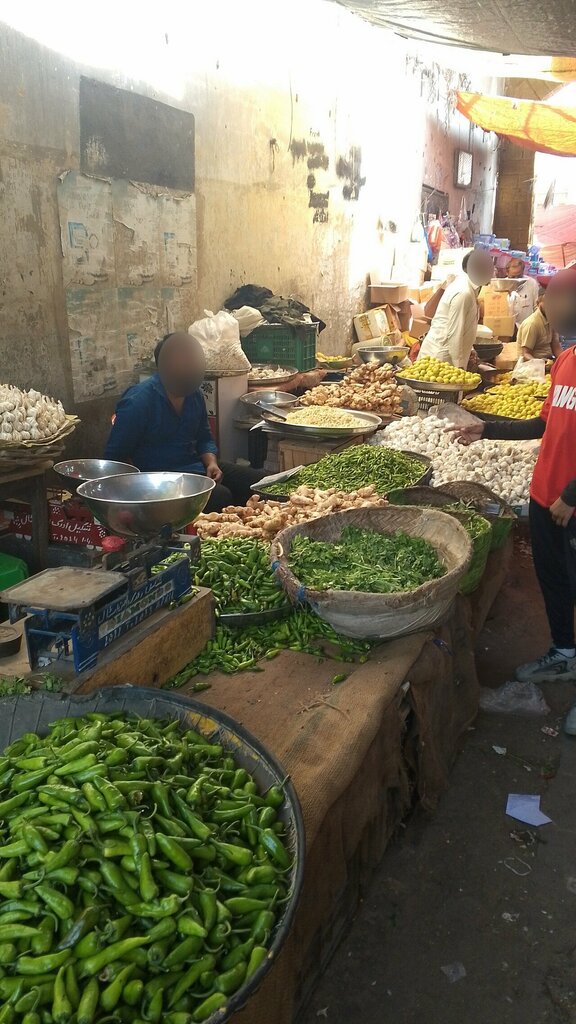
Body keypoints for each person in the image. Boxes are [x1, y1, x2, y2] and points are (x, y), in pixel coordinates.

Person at [452, 269, 576, 732]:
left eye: (558, 296)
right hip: (544, 498)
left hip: (569, 503)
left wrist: (572, 495)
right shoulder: (566, 361)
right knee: (556, 583)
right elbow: (545, 425)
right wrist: (488, 428)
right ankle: (565, 652)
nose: (548, 305)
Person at [104, 331, 263, 512]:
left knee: (259, 482)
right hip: (160, 481)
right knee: (221, 496)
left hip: (195, 468)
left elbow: (204, 438)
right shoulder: (138, 402)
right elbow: (114, 458)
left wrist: (211, 463)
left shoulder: (194, 395)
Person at [417, 250, 494, 369]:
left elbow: (465, 327)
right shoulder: (463, 293)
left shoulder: (470, 289)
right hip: (440, 358)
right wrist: (459, 368)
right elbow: (455, 332)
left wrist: (470, 349)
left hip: (446, 356)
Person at [517, 296, 562, 361]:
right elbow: (526, 354)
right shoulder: (532, 324)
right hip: (531, 365)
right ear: (538, 303)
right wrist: (540, 363)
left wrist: (564, 360)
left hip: (548, 360)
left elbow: (555, 346)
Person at [507, 257, 539, 327]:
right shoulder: (502, 285)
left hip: (526, 328)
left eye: (519, 276)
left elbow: (536, 307)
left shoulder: (531, 283)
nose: (516, 280)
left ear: (523, 272)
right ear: (507, 273)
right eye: (513, 277)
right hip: (507, 328)